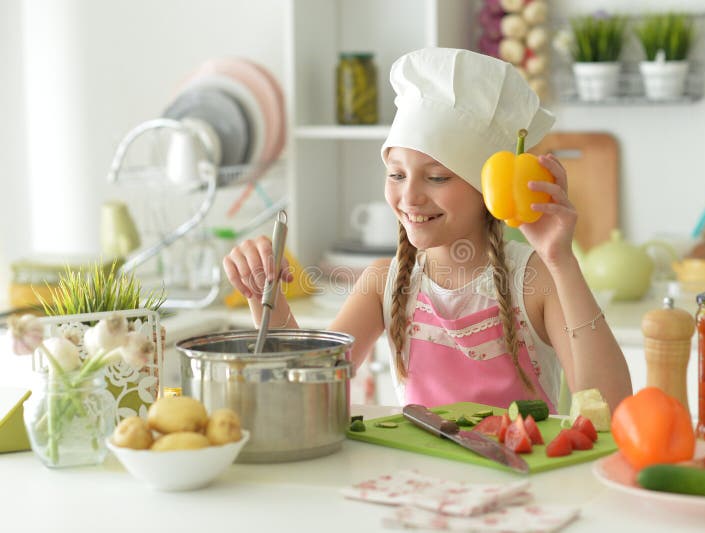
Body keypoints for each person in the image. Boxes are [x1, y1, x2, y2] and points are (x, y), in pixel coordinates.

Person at [223, 48, 632, 411]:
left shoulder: (535, 279)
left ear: (484, 188)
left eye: (437, 178)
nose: (410, 197)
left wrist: (560, 259)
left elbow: (611, 409)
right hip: (420, 486)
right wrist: (267, 295)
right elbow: (303, 389)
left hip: (522, 486)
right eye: (397, 174)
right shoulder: (383, 283)